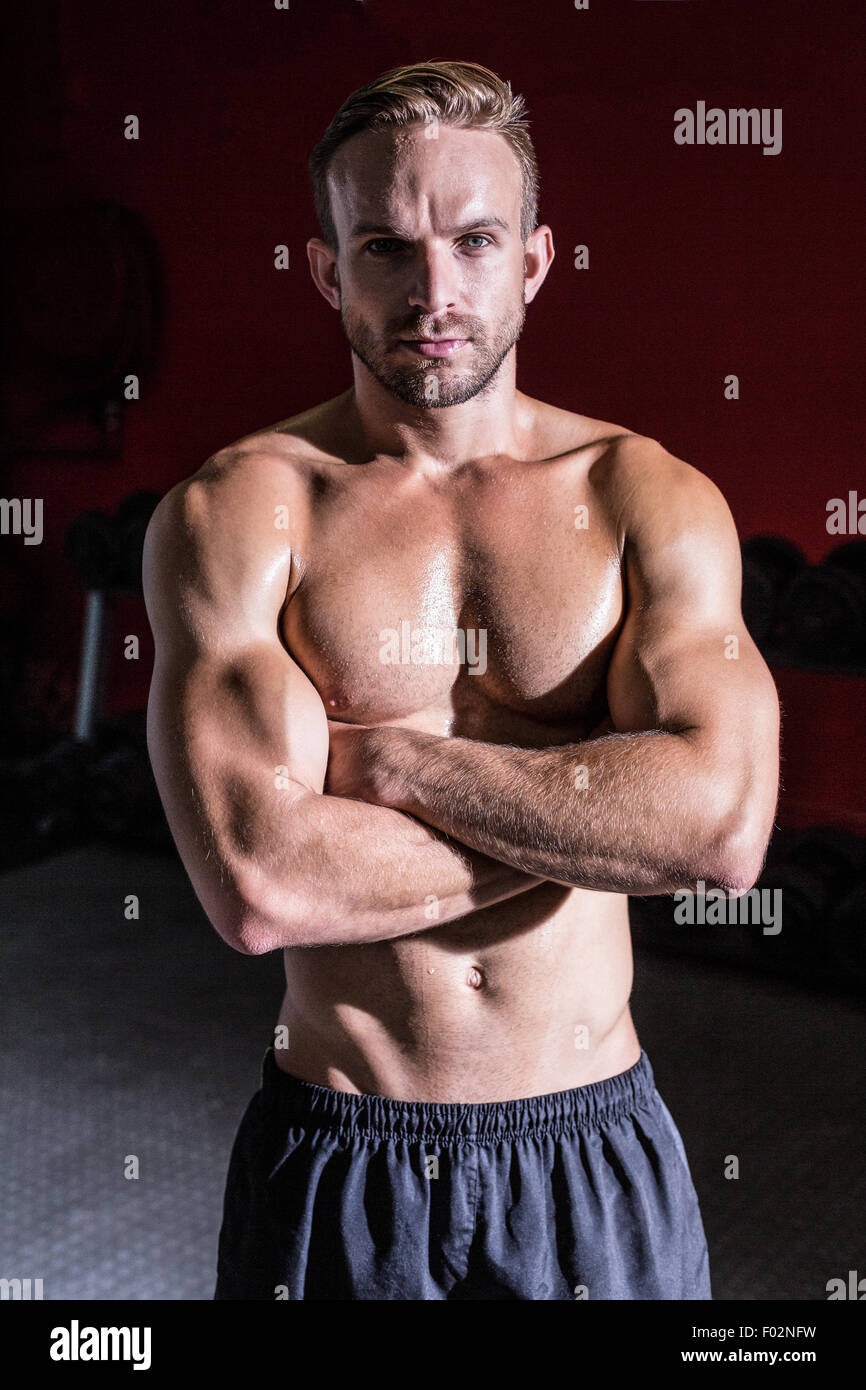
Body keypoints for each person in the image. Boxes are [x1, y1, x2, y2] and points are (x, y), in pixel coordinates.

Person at [143, 59, 780, 1300]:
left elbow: (717, 828)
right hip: (343, 1148)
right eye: (385, 246)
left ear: (532, 262)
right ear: (328, 269)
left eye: (473, 240)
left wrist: (388, 764)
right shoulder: (239, 512)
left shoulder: (644, 495)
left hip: (589, 1143)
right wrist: (605, 813)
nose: (434, 289)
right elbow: (262, 884)